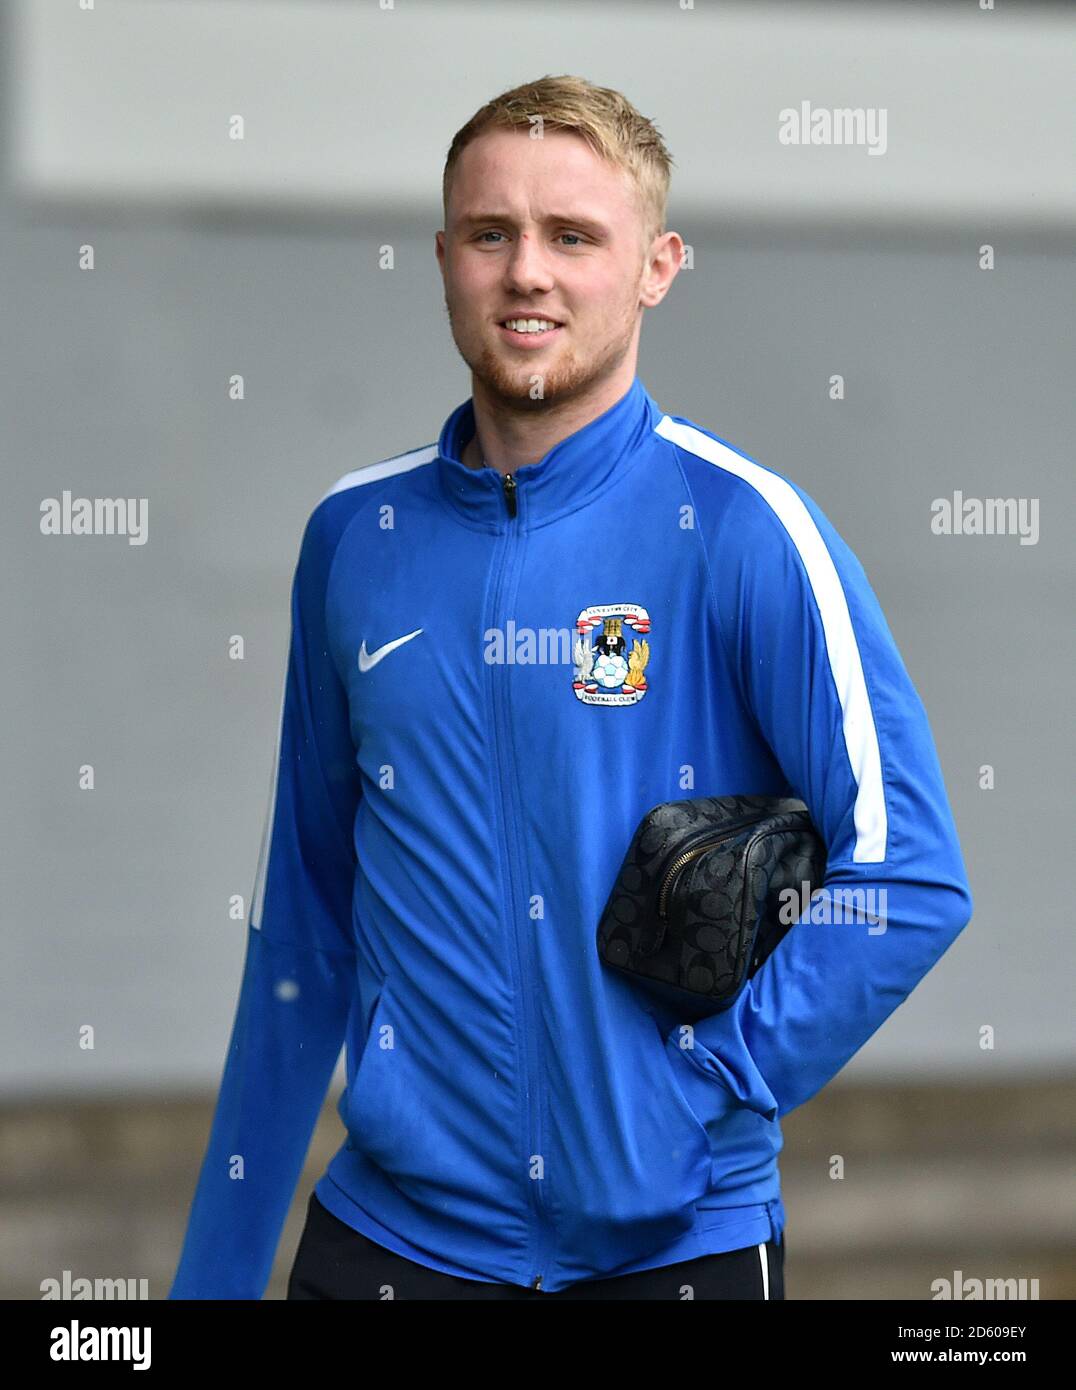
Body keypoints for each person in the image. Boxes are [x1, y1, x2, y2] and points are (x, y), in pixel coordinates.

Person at [168, 74, 972, 1301]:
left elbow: (905, 873)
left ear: (655, 265)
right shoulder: (356, 538)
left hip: (674, 1250)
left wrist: (708, 1083)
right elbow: (306, 918)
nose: (526, 273)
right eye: (491, 234)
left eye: (573, 236)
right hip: (394, 1244)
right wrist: (216, 1276)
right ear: (443, 258)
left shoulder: (746, 531)